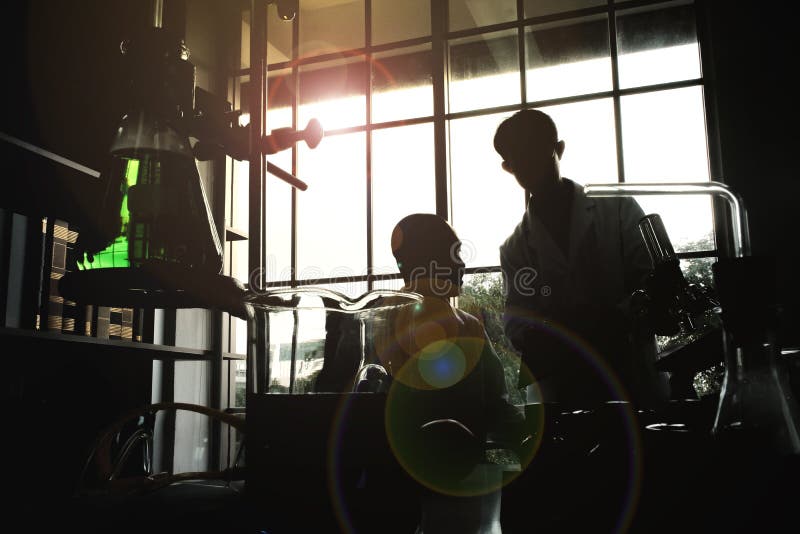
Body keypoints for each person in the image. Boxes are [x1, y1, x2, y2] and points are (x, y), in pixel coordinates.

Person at [493, 109, 670, 407]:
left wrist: (614, 319)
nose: (532, 164)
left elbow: (658, 283)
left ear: (559, 149)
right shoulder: (514, 248)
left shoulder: (618, 209)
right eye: (521, 159)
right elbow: (517, 323)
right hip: (561, 392)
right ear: (508, 167)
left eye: (538, 151)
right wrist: (567, 333)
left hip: (630, 378)